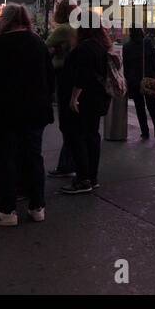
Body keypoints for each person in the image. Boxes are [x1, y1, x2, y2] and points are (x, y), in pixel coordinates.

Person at [0, 4, 54, 227]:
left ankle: (7, 210)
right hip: (35, 112)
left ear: (5, 20)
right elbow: (50, 78)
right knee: (33, 157)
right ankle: (37, 206)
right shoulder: (38, 43)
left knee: (6, 159)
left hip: (4, 112)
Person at [60, 15, 113, 195]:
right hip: (98, 98)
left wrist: (74, 97)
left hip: (85, 99)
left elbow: (82, 75)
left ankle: (83, 179)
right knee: (92, 136)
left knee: (78, 137)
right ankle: (92, 176)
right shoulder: (101, 45)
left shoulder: (85, 47)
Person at [46, 0, 79, 179]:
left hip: (63, 75)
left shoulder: (64, 29)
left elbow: (43, 48)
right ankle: (69, 162)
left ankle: (67, 164)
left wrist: (55, 50)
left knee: (66, 123)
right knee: (73, 122)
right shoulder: (80, 27)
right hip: (77, 77)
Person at [123, 27, 155, 140]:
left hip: (134, 81)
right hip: (149, 78)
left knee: (139, 107)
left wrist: (127, 81)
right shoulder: (148, 43)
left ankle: (145, 132)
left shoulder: (126, 47)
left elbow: (126, 66)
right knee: (152, 104)